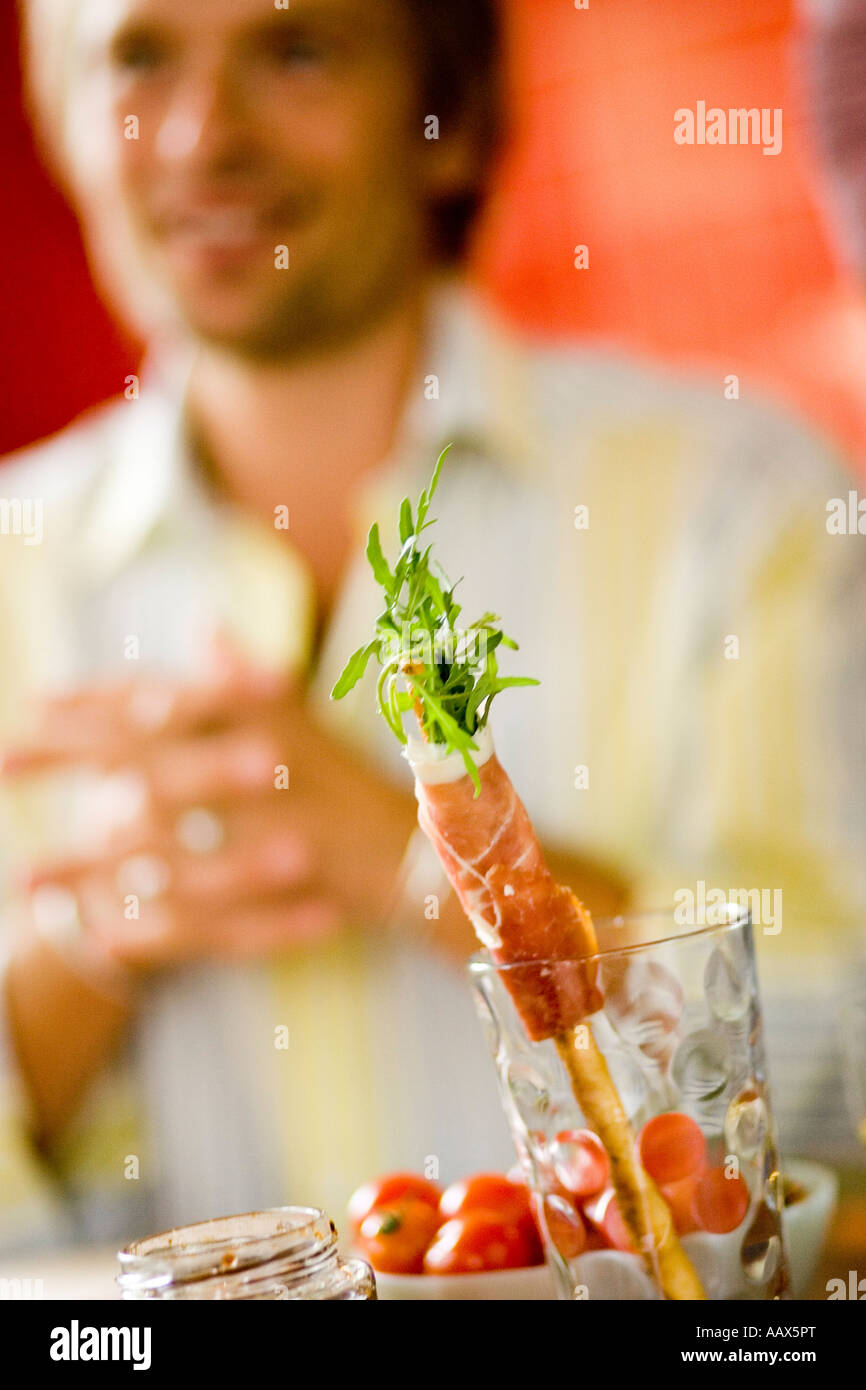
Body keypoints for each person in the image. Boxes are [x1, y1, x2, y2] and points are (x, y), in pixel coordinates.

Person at [0, 0, 862, 1255]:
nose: (199, 137)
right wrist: (86, 946)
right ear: (58, 118)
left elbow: (840, 1081)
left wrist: (420, 858)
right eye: (137, 56)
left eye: (295, 50)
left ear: (445, 119)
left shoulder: (747, 509)